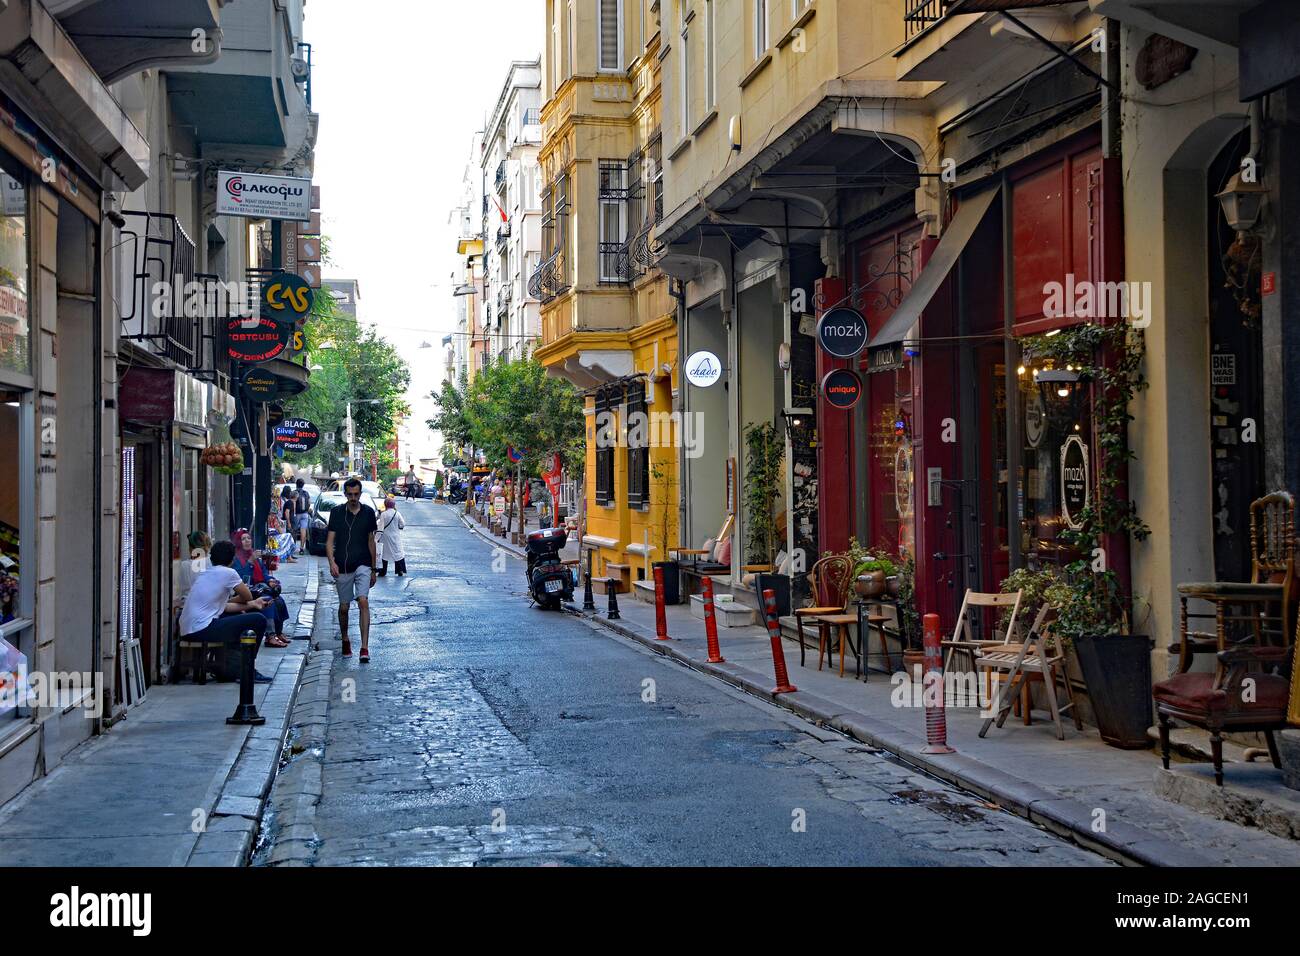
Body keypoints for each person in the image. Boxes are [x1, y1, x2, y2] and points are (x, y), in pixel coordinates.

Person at [179, 539, 273, 683]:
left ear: (212, 558)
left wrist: (253, 604)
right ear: (232, 559)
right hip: (202, 628)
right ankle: (246, 669)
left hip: (188, 629)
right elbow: (247, 596)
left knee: (235, 614)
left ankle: (232, 667)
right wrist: (251, 602)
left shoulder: (206, 573)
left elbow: (224, 606)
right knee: (258, 620)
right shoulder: (229, 573)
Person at [326, 477, 378, 662]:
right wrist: (332, 562)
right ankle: (345, 639)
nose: (353, 498)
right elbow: (330, 541)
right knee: (344, 607)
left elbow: (371, 541)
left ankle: (364, 648)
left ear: (360, 494)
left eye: (356, 494)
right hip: (343, 564)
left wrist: (374, 569)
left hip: (363, 563)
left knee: (363, 601)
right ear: (345, 494)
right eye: (350, 494)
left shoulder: (368, 513)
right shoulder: (337, 513)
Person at [230, 530, 291, 647]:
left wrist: (270, 581)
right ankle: (270, 636)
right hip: (246, 592)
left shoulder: (254, 557)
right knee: (268, 600)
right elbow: (241, 578)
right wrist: (250, 562)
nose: (247, 541)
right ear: (238, 542)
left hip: (260, 589)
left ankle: (278, 632)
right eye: (243, 539)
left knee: (279, 600)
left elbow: (264, 573)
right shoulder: (236, 559)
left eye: (248, 538)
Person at [376, 495, 406, 576]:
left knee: (384, 554)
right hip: (395, 536)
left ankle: (382, 571)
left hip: (385, 537)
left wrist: (375, 539)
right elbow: (402, 524)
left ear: (385, 504)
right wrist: (398, 527)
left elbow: (380, 528)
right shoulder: (397, 513)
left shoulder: (383, 514)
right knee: (398, 553)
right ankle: (400, 570)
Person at [294, 477, 312, 555]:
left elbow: (293, 503)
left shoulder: (294, 492)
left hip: (296, 514)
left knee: (294, 530)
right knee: (303, 530)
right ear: (303, 485)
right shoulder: (306, 493)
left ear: (296, 484)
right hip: (305, 514)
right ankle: (301, 548)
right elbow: (309, 502)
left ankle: (293, 547)